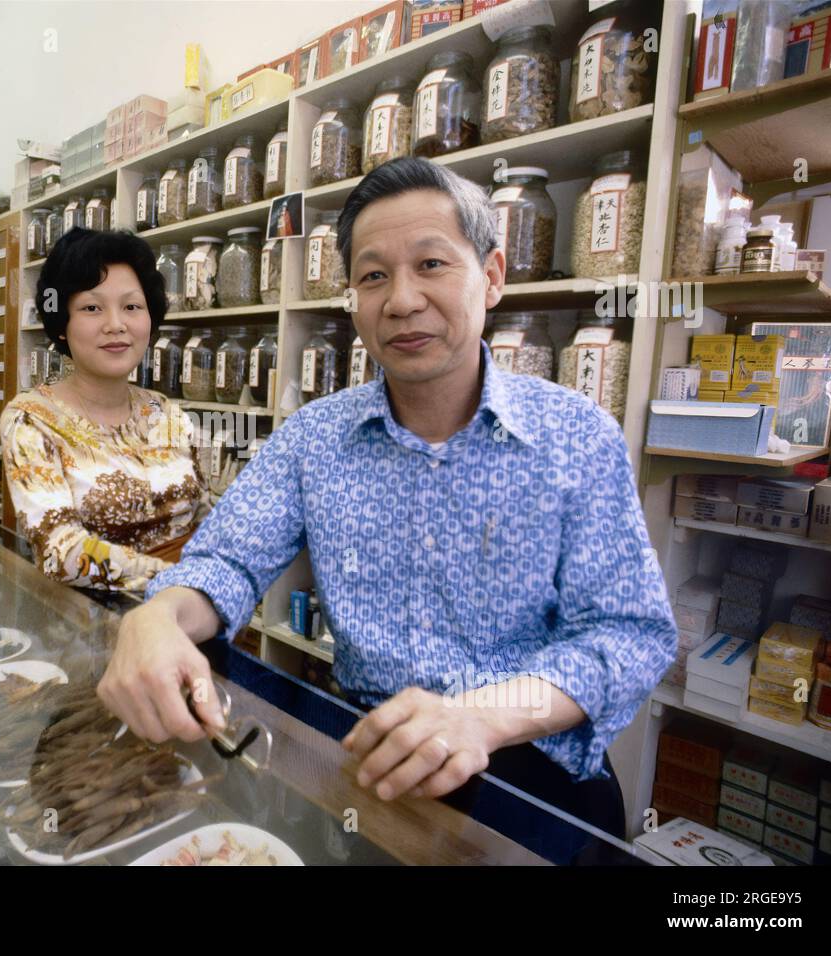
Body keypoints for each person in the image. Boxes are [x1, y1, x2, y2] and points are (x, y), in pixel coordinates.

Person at [97, 157, 676, 835]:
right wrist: (157, 619)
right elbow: (228, 561)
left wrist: (481, 715)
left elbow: (628, 633)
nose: (401, 300)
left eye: (431, 264)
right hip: (369, 759)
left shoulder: (576, 435)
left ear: (491, 278)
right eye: (373, 275)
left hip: (529, 770)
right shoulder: (315, 436)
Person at [1, 227, 208, 591]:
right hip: (91, 627)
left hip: (191, 617)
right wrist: (181, 582)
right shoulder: (31, 419)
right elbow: (60, 550)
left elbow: (203, 514)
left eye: (131, 306)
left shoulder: (163, 411)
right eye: (92, 308)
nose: (116, 325)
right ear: (62, 323)